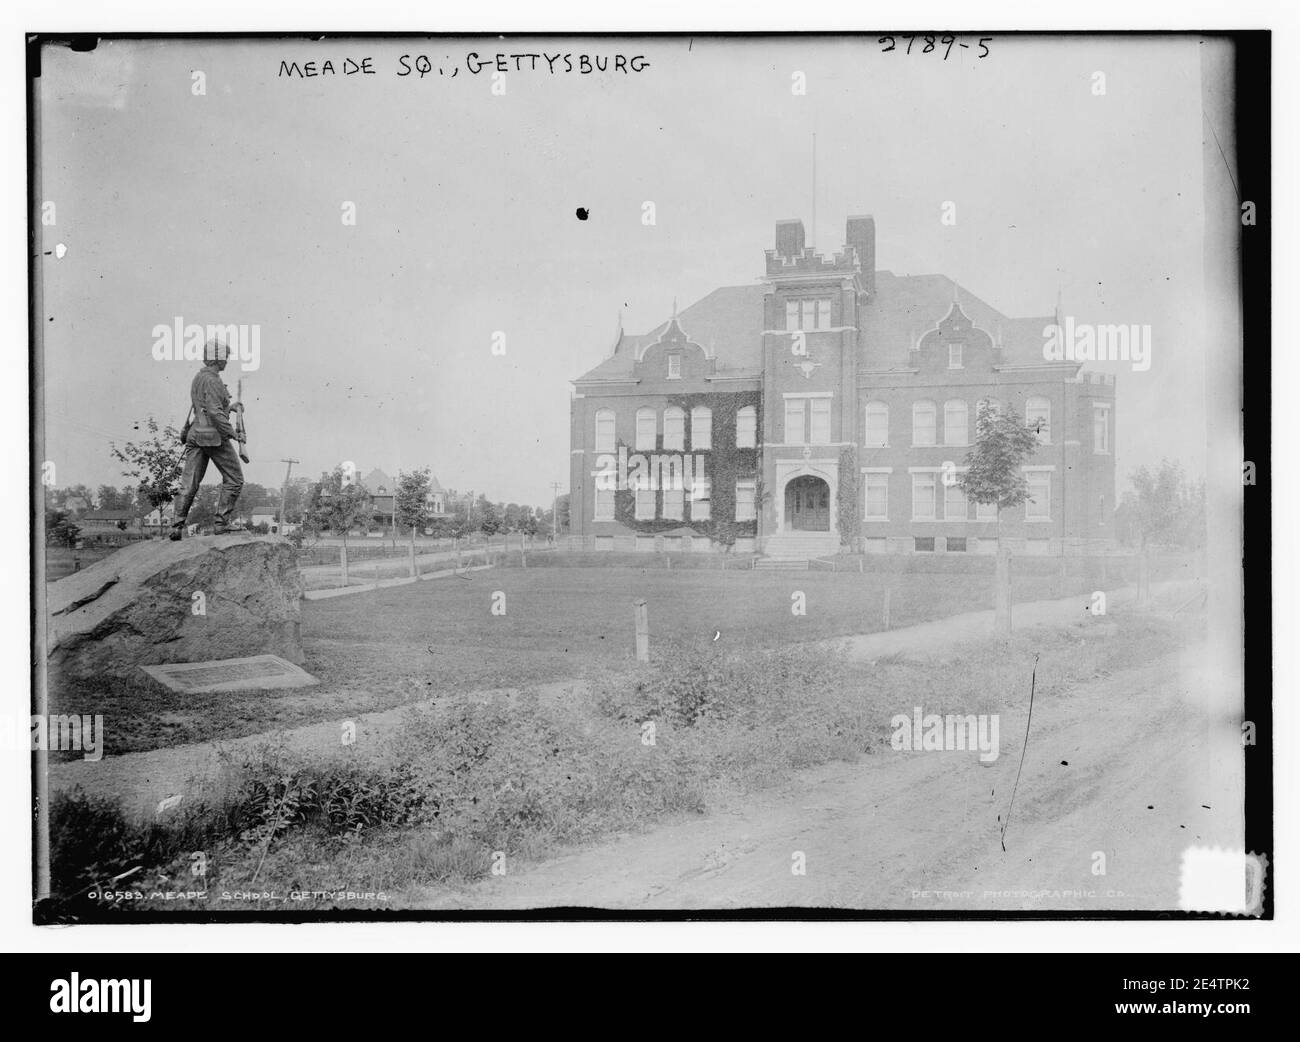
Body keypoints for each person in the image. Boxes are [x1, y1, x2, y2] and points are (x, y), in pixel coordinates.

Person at [170, 338, 245, 539]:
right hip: (212, 436)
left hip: (196, 434)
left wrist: (230, 407)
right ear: (217, 358)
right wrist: (233, 433)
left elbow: (206, 407)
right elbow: (213, 411)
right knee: (235, 479)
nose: (227, 361)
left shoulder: (199, 377)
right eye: (225, 357)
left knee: (189, 482)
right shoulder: (213, 380)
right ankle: (221, 523)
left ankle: (176, 526)